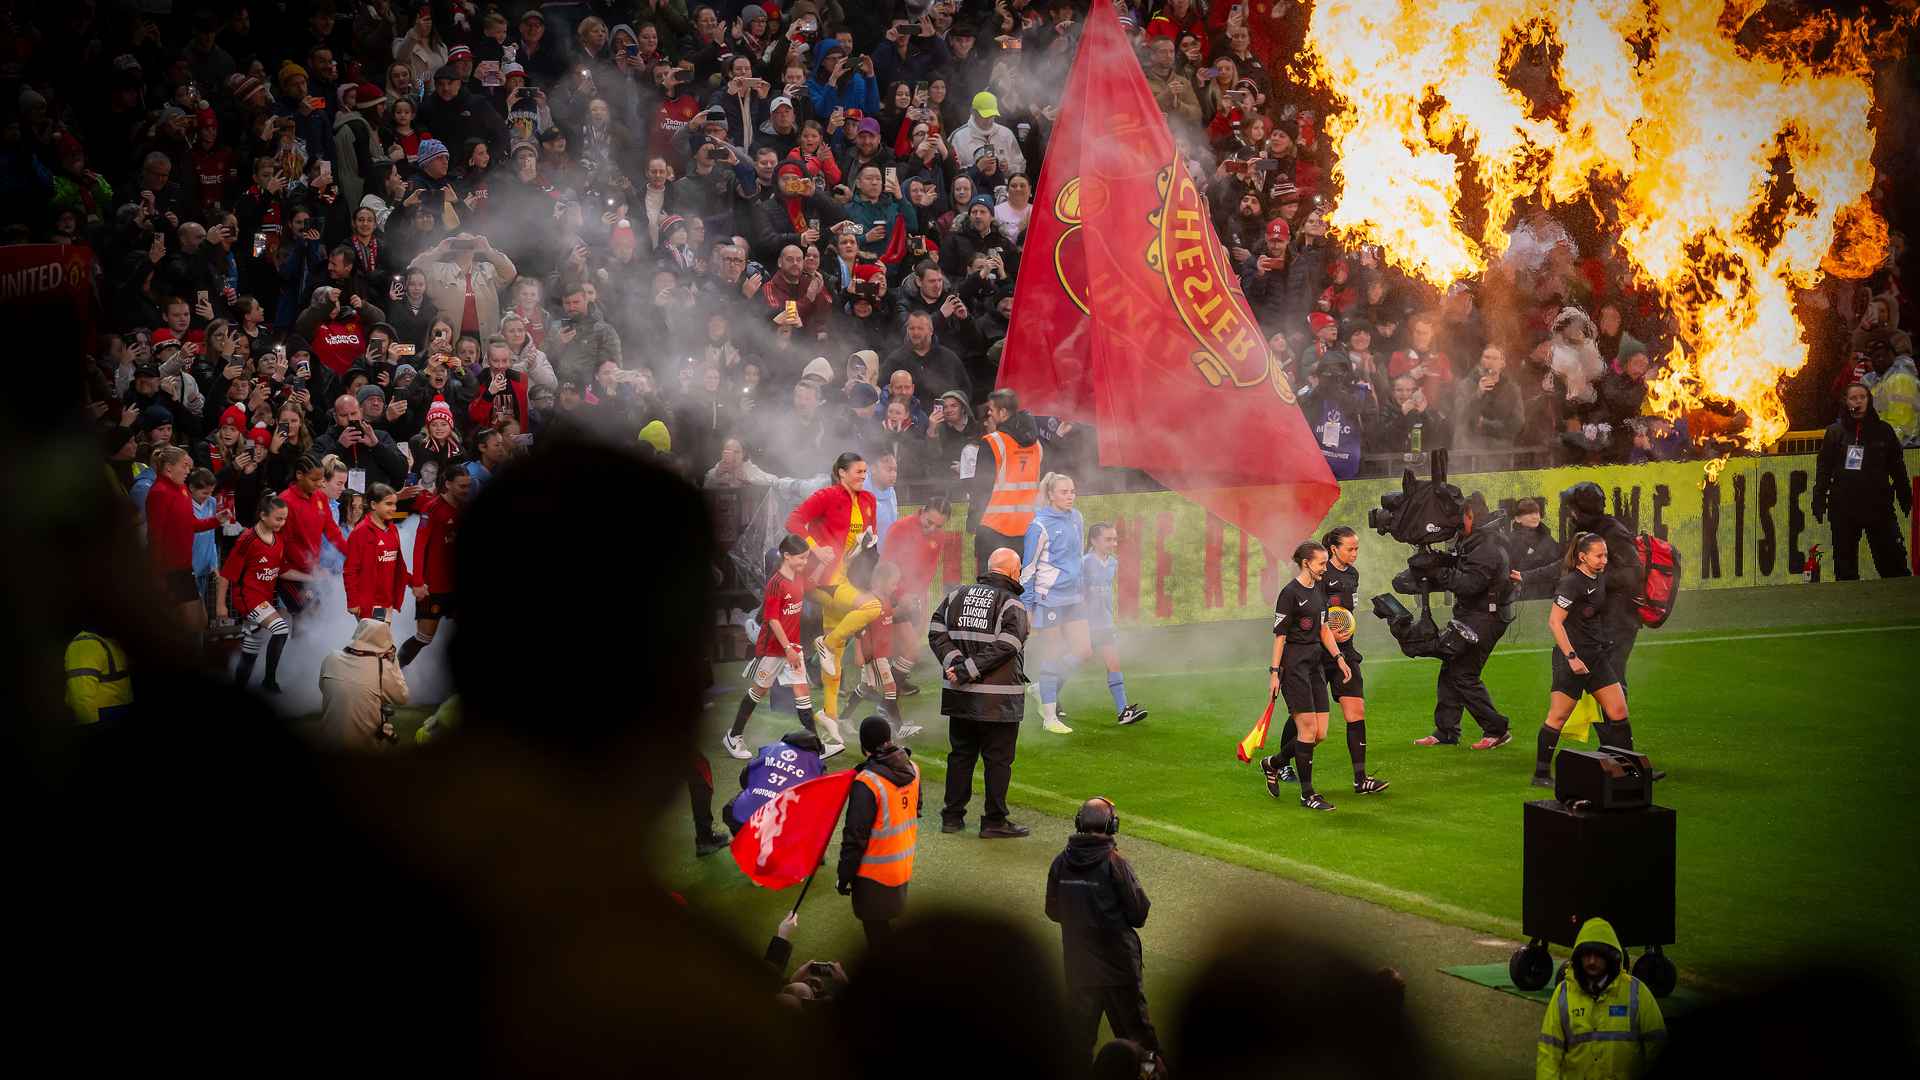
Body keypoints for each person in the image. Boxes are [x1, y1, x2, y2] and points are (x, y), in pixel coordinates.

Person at [1046, 796, 1160, 1065]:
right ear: (1112, 826)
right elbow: (1138, 913)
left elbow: (1052, 911)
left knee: (1078, 1041)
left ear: (1078, 823)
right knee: (1139, 1038)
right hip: (1118, 967)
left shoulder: (1060, 862)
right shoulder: (1115, 863)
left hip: (1079, 965)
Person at [786, 452, 887, 754]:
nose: (863, 476)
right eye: (858, 471)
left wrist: (866, 557)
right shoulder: (827, 495)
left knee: (837, 666)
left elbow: (869, 544)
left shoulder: (869, 500)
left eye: (865, 471)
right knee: (872, 608)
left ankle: (830, 730)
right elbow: (793, 521)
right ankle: (826, 643)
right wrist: (815, 549)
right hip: (824, 579)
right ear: (841, 473)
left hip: (849, 580)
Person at [1274, 528, 1388, 793]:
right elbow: (1313, 617)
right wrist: (1325, 633)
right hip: (1316, 654)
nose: (1355, 554)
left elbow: (1344, 613)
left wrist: (1344, 631)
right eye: (1350, 548)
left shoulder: (1352, 575)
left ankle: (1361, 780)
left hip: (1343, 652)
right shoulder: (1319, 575)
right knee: (1306, 719)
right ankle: (1282, 763)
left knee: (1356, 711)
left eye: (1357, 548)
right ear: (1334, 549)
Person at [929, 547, 1031, 838]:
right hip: (998, 702)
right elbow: (1008, 645)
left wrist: (955, 665)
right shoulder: (1012, 604)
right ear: (1012, 571)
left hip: (960, 696)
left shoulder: (955, 596)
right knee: (997, 761)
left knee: (961, 755)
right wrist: (969, 668)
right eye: (1019, 568)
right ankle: (994, 821)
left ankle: (952, 817)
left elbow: (936, 632)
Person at [1533, 534, 1636, 786]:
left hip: (1596, 657)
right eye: (1599, 555)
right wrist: (1571, 657)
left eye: (1606, 555)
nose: (1604, 560)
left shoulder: (1599, 577)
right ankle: (1541, 774)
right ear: (1583, 557)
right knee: (1558, 716)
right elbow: (1554, 622)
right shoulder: (1571, 583)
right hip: (1571, 660)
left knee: (1618, 710)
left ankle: (1630, 770)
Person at [1416, 499, 1518, 751]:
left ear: (1472, 515)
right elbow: (1461, 565)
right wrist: (1438, 559)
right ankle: (1446, 730)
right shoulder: (1475, 541)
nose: (1458, 522)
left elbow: (1470, 584)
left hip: (1486, 616)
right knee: (1451, 666)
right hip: (1474, 613)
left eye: (1462, 516)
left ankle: (1497, 729)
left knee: (1463, 673)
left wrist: (1437, 571)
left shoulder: (1487, 547)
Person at [1260, 541, 1350, 812]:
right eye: (1321, 563)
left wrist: (1338, 657)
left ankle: (1273, 763)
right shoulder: (1289, 594)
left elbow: (1323, 629)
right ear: (1306, 563)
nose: (1325, 567)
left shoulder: (1320, 589)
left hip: (1315, 665)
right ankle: (1307, 794)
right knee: (1307, 730)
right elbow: (1280, 637)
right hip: (1294, 666)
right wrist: (1275, 673)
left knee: (1319, 734)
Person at [725, 535, 829, 759]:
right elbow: (772, 619)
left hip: (792, 647)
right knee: (758, 692)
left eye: (806, 558)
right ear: (787, 556)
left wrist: (822, 563)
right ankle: (733, 736)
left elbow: (812, 583)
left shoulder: (799, 576)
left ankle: (815, 745)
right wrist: (788, 649)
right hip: (773, 649)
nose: (804, 562)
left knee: (802, 694)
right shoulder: (775, 583)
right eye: (801, 558)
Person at [1536, 918, 1666, 1078]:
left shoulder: (1638, 992)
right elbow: (1549, 1053)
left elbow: (1658, 1048)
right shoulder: (1563, 993)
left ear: (1611, 957)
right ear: (1578, 958)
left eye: (1598, 955)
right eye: (1587, 955)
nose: (1591, 961)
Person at [1812, 382, 1912, 580]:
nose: (1858, 402)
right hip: (1843, 507)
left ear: (1869, 401)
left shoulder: (1884, 430)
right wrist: (1819, 499)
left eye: (1862, 397)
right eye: (1853, 398)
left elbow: (1897, 468)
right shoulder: (1835, 432)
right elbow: (1824, 469)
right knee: (1845, 566)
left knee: (1893, 563)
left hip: (1879, 506)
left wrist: (1904, 495)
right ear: (1846, 402)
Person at [835, 716, 921, 946]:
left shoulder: (867, 782)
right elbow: (916, 808)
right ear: (889, 739)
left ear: (864, 747)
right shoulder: (913, 768)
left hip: (873, 875)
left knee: (877, 933)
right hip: (903, 863)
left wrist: (844, 876)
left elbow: (854, 838)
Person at [213, 494, 310, 692]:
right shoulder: (247, 540)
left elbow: (282, 571)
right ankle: (269, 682)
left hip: (263, 600)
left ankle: (238, 688)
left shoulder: (278, 539)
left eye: (284, 519)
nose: (282, 523)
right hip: (247, 598)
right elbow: (227, 575)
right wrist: (220, 605)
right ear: (263, 515)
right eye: (278, 518)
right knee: (281, 629)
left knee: (251, 648)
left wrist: (311, 579)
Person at [1022, 472, 1089, 735]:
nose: (1070, 496)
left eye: (1072, 491)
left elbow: (1078, 555)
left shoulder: (1077, 518)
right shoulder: (1038, 526)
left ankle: (1041, 689)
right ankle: (1049, 716)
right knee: (1053, 653)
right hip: (1049, 599)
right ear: (1051, 495)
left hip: (1073, 596)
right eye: (1064, 492)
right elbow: (1028, 570)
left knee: (1083, 650)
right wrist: (1027, 607)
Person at [145, 446, 228, 634]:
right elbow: (155, 536)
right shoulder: (159, 492)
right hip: (170, 571)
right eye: (184, 466)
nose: (188, 471)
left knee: (199, 621)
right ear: (168, 469)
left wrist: (216, 520)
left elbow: (190, 524)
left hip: (184, 567)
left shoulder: (182, 489)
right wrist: (157, 574)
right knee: (188, 624)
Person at [879, 493, 950, 698]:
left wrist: (918, 594)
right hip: (890, 593)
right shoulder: (900, 528)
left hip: (915, 594)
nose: (932, 529)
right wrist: (900, 595)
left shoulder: (939, 536)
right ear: (923, 511)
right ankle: (887, 689)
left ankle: (891, 682)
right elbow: (886, 565)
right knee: (908, 647)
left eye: (939, 526)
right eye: (929, 522)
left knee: (911, 640)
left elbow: (929, 568)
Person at [965, 388, 1043, 573]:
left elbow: (981, 487)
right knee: (1019, 589)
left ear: (1003, 412)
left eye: (992, 409)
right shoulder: (1036, 445)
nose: (989, 413)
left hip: (993, 529)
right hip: (1027, 531)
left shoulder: (992, 442)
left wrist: (973, 521)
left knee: (990, 590)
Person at [400, 468, 471, 667]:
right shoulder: (432, 509)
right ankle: (391, 674)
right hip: (434, 588)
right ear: (448, 484)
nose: (466, 490)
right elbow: (419, 547)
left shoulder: (468, 507)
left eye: (468, 486)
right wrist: (418, 582)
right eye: (462, 486)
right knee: (424, 638)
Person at [318, 617, 410, 749]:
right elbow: (403, 698)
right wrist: (393, 662)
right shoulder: (382, 667)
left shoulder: (330, 658)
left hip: (327, 743)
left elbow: (323, 688)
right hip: (363, 748)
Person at [723, 727, 827, 834]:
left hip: (739, 818)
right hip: (779, 828)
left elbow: (744, 779)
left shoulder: (770, 749)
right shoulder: (817, 766)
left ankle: (743, 844)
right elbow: (819, 801)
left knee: (746, 796)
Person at [344, 483, 408, 621]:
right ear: (373, 505)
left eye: (395, 504)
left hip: (387, 600)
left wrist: (415, 582)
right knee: (377, 641)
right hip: (369, 603)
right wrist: (353, 602)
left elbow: (397, 565)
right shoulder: (360, 532)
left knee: (376, 641)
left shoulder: (392, 530)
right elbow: (350, 570)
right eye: (388, 504)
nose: (394, 508)